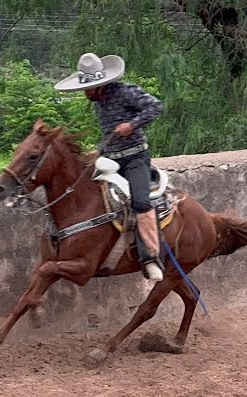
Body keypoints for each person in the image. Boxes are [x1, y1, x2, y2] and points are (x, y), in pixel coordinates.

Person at [54, 52, 166, 281]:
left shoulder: (127, 92)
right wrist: (99, 150)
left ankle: (151, 257)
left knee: (141, 202)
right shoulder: (98, 102)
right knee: (81, 190)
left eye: (88, 89)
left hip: (135, 158)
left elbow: (156, 106)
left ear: (100, 85)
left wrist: (132, 125)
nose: (85, 93)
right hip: (111, 158)